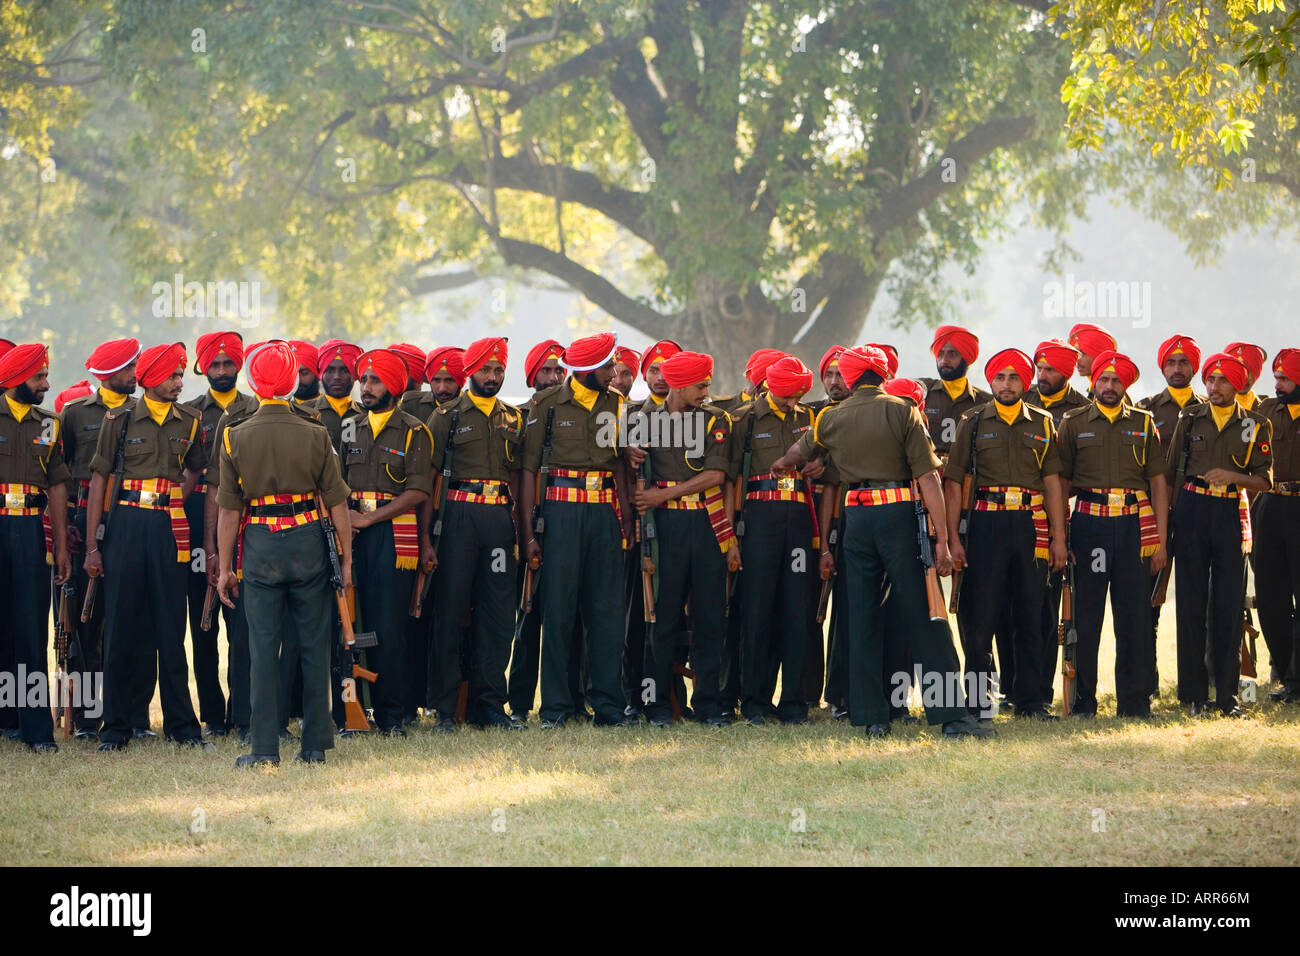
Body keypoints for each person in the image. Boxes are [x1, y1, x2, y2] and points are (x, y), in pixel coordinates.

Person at [772, 346, 990, 738]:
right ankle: (952, 717)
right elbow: (928, 478)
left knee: (862, 615)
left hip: (855, 518)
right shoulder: (902, 410)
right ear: (883, 376)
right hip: (897, 516)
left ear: (852, 378)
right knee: (926, 614)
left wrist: (784, 465)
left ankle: (871, 717)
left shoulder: (829, 417)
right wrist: (941, 539)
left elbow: (793, 455)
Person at [214, 341, 352, 766]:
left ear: (253, 382)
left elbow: (229, 510)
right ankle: (314, 746)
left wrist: (225, 568)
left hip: (260, 547)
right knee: (314, 645)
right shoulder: (316, 433)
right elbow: (338, 504)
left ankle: (263, 748)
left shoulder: (234, 436)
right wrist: (345, 562)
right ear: (293, 381)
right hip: (308, 541)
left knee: (262, 649)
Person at [86, 342, 210, 751]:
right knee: (120, 625)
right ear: (150, 378)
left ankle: (183, 726)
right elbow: (99, 482)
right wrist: (92, 546)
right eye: (172, 376)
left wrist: (175, 497)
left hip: (168, 526)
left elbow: (195, 470)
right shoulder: (118, 420)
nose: (179, 382)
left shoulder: (191, 421)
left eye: (180, 375)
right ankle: (115, 727)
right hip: (125, 524)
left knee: (171, 628)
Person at [944, 347, 1068, 720]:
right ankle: (980, 702)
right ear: (991, 381)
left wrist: (1059, 539)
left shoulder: (1042, 422)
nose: (1007, 384)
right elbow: (953, 482)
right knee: (980, 615)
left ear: (1024, 382)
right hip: (985, 524)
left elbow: (1052, 483)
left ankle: (1029, 701)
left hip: (1029, 526)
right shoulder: (974, 421)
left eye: (1014, 377)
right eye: (1000, 377)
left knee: (1031, 614)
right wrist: (952, 539)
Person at [520, 332, 635, 728]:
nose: (614, 373)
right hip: (561, 514)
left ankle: (608, 705)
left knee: (606, 612)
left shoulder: (617, 405)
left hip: (604, 515)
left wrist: (627, 518)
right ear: (585, 369)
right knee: (559, 611)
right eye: (606, 367)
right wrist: (529, 535)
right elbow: (528, 471)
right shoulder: (547, 405)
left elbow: (619, 464)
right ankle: (555, 706)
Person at [627, 351, 738, 727]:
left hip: (707, 523)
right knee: (662, 616)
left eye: (708, 383)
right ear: (677, 384)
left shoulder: (716, 420)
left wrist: (660, 495)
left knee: (710, 617)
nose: (707, 391)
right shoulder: (643, 420)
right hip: (666, 529)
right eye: (700, 385)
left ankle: (709, 704)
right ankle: (657, 705)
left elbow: (715, 476)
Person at [1055, 350, 1167, 717]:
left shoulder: (1144, 422)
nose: (1108, 386)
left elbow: (1158, 484)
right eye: (1103, 379)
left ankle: (1134, 702)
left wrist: (1161, 543)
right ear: (1093, 382)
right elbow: (1062, 482)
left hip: (1135, 527)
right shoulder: (1073, 422)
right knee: (1086, 616)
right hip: (1090, 527)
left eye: (1116, 381)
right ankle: (1084, 701)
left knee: (1133, 615)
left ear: (1126, 385)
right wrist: (1064, 536)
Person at [425, 337, 524, 731]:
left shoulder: (513, 418)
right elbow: (428, 479)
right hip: (457, 518)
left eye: (499, 370)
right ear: (470, 372)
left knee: (498, 614)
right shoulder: (446, 416)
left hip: (499, 521)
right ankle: (446, 709)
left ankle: (490, 706)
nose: (493, 377)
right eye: (485, 369)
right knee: (450, 611)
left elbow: (518, 477)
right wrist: (427, 539)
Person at [1166, 353, 1273, 716]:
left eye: (1223, 381)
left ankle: (1226, 697)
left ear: (1238, 385)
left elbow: (1264, 480)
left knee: (1228, 605)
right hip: (1192, 510)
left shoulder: (1256, 425)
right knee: (1191, 604)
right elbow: (1171, 473)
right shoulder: (1190, 418)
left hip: (1229, 512)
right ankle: (1195, 696)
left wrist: (1233, 477)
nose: (1214, 388)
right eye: (1210, 380)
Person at [338, 348, 434, 735]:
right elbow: (337, 480)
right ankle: (349, 712)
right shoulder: (348, 426)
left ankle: (392, 714)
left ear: (393, 385)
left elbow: (418, 490)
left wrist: (370, 517)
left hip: (392, 534)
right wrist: (348, 519)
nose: (366, 387)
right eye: (364, 380)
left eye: (375, 381)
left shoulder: (414, 430)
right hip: (353, 531)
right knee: (348, 623)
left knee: (388, 625)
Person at [57, 338, 146, 739]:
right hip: (85, 520)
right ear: (111, 373)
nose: (136, 375)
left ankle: (134, 716)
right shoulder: (74, 415)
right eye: (130, 369)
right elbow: (60, 471)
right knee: (86, 623)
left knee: (131, 621)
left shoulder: (144, 411)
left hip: (129, 518)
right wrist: (74, 528)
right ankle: (89, 718)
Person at [727, 356, 816, 725]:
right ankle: (754, 701)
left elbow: (825, 465)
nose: (791, 404)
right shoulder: (744, 420)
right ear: (770, 387)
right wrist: (731, 533)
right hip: (758, 520)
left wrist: (820, 466)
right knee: (757, 610)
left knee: (797, 612)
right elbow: (731, 477)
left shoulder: (808, 420)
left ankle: (794, 703)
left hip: (797, 520)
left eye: (796, 396)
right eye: (785, 397)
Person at [184, 331, 258, 737]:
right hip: (197, 525)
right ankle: (212, 714)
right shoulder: (190, 413)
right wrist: (208, 546)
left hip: (245, 525)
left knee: (243, 623)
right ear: (203, 367)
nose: (224, 371)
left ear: (241, 365)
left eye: (230, 364)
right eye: (215, 365)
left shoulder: (257, 408)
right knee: (203, 623)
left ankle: (242, 711)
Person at [0, 344, 72, 752]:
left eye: (46, 376)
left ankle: (35, 730)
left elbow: (56, 485)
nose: (46, 384)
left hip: (29, 528)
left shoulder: (51, 424)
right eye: (38, 378)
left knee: (31, 628)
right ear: (14, 380)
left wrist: (61, 545)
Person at [1136, 333, 1204, 697]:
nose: (1177, 369)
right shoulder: (1145, 409)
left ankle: (1198, 683)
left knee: (1198, 599)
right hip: (1152, 515)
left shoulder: (1208, 408)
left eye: (1184, 363)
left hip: (1196, 513)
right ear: (1161, 366)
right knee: (1147, 600)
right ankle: (1146, 683)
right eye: (1171, 363)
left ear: (1195, 367)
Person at [1023, 338, 1089, 709]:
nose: (1042, 376)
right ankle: (1016, 689)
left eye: (1050, 370)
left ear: (1066, 373)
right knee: (1019, 605)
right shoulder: (1023, 400)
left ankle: (1043, 692)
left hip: (1065, 514)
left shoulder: (1081, 410)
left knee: (1051, 608)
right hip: (1022, 514)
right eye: (1040, 369)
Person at [1255, 348, 1300, 700]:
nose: (1278, 385)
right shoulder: (1265, 411)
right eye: (1276, 378)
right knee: (1271, 597)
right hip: (1269, 508)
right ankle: (1285, 673)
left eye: (1285, 379)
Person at [313, 338, 363, 452]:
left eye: (344, 371)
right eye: (330, 370)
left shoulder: (367, 416)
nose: (337, 376)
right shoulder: (305, 413)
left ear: (354, 375)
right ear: (321, 374)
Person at [1067, 323, 1118, 390]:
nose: (1077, 360)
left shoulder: (1109, 394)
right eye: (1076, 355)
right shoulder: (1097, 390)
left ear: (1100, 356)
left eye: (1082, 354)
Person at [1224, 342, 1269, 410]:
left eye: (1248, 372)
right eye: (1237, 372)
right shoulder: (1208, 408)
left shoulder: (1270, 409)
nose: (1243, 378)